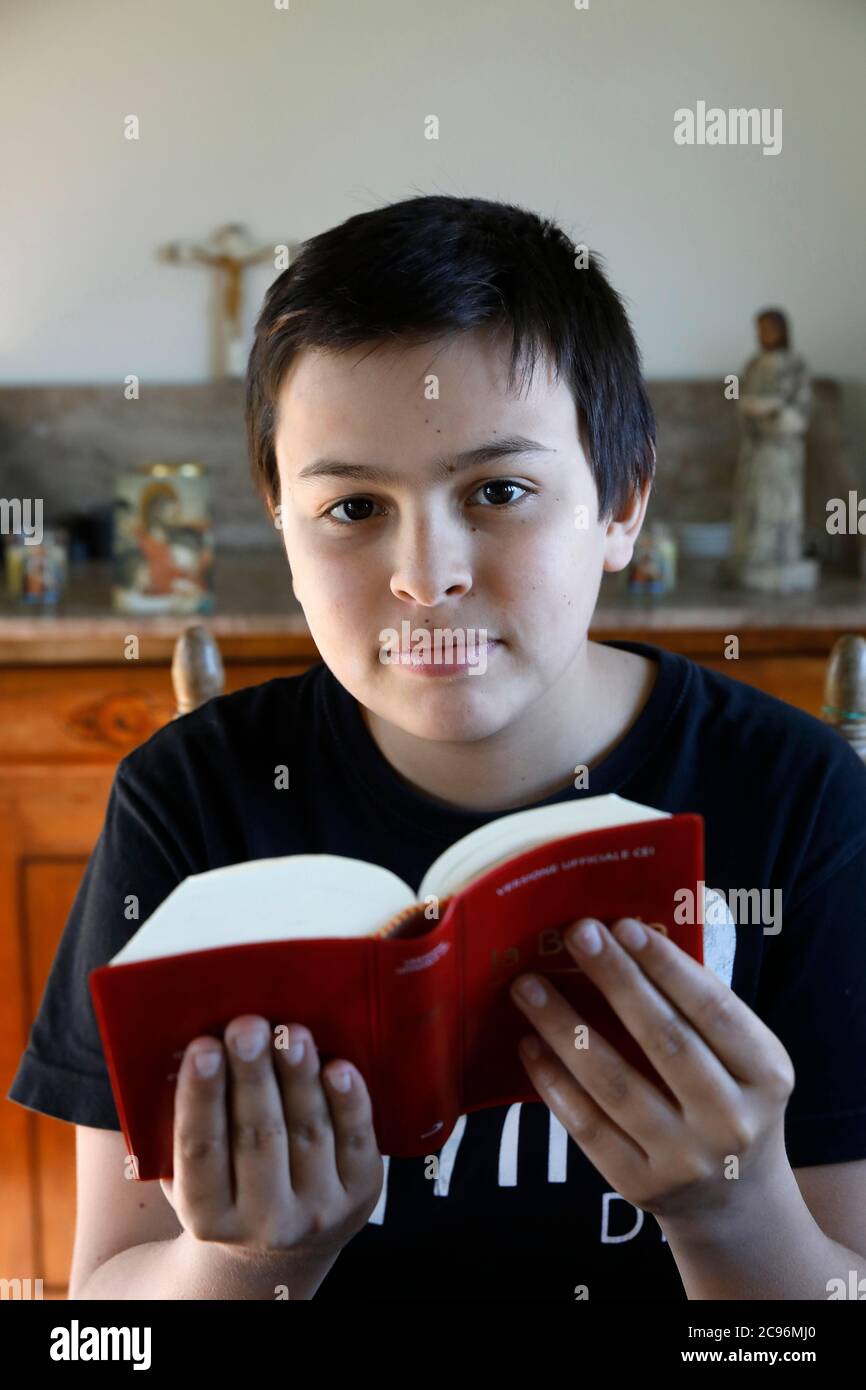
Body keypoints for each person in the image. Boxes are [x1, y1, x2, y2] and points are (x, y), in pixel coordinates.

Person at [8, 195, 866, 1301]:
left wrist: (729, 1211)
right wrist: (239, 1261)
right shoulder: (189, 798)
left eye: (497, 491)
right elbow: (105, 1314)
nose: (425, 574)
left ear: (621, 502)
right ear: (278, 514)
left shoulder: (795, 800)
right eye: (354, 507)